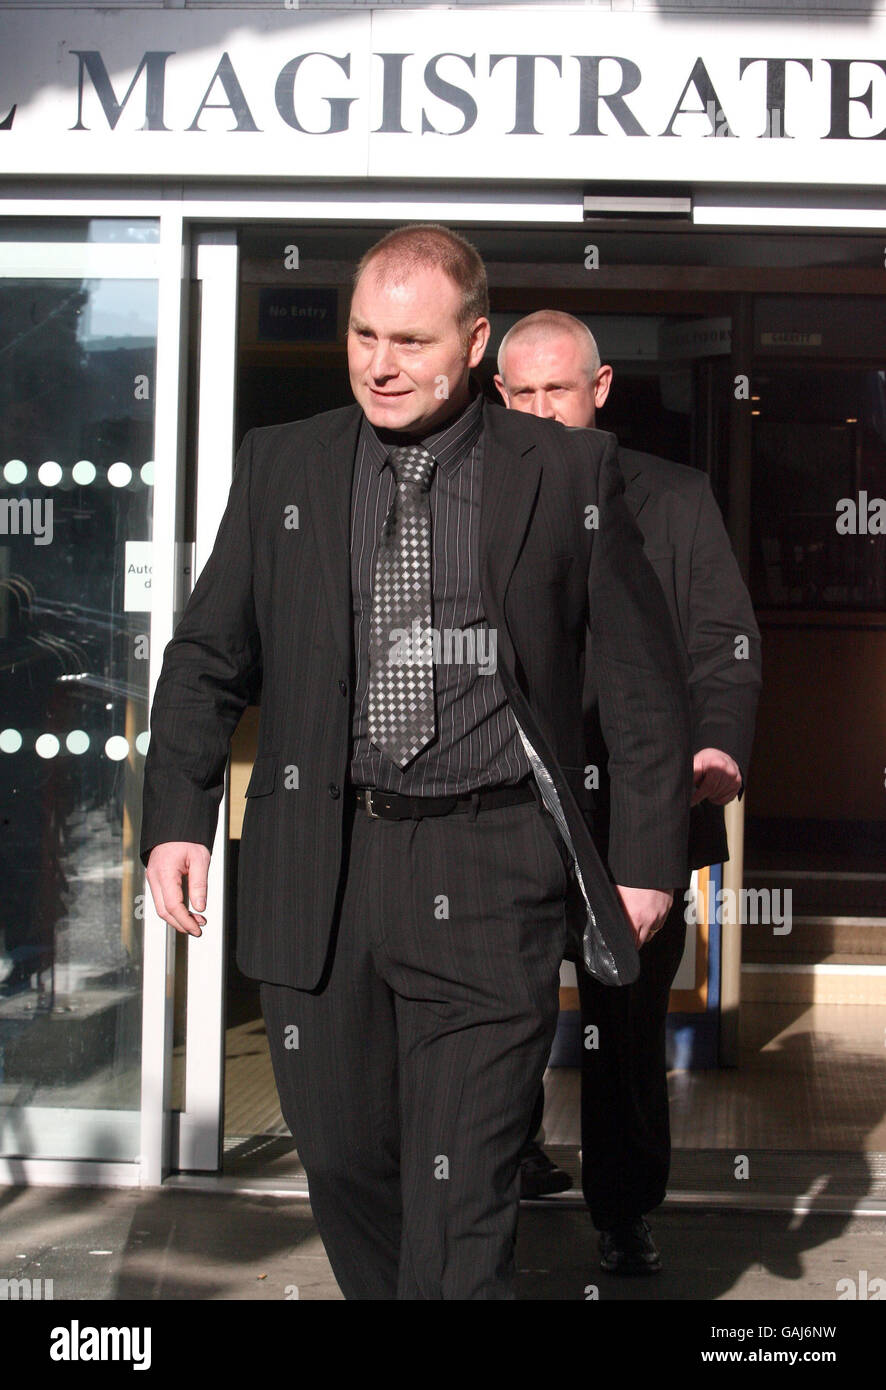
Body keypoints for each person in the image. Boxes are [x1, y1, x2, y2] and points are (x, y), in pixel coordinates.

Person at [140, 229, 692, 1301]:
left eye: (409, 339)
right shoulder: (283, 463)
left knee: (467, 1185)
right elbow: (211, 653)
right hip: (325, 861)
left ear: (475, 341)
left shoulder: (567, 470)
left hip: (492, 869)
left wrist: (646, 863)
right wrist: (177, 815)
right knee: (347, 1158)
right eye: (361, 335)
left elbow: (638, 683)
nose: (379, 363)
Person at [495, 310, 761, 1274]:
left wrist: (719, 747)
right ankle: (503, 1165)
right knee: (498, 1011)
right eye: (518, 393)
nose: (536, 409)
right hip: (502, 816)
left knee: (624, 1033)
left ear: (599, 392)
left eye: (555, 390)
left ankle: (623, 1211)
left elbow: (725, 644)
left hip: (639, 820)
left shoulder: (675, 499)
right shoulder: (468, 496)